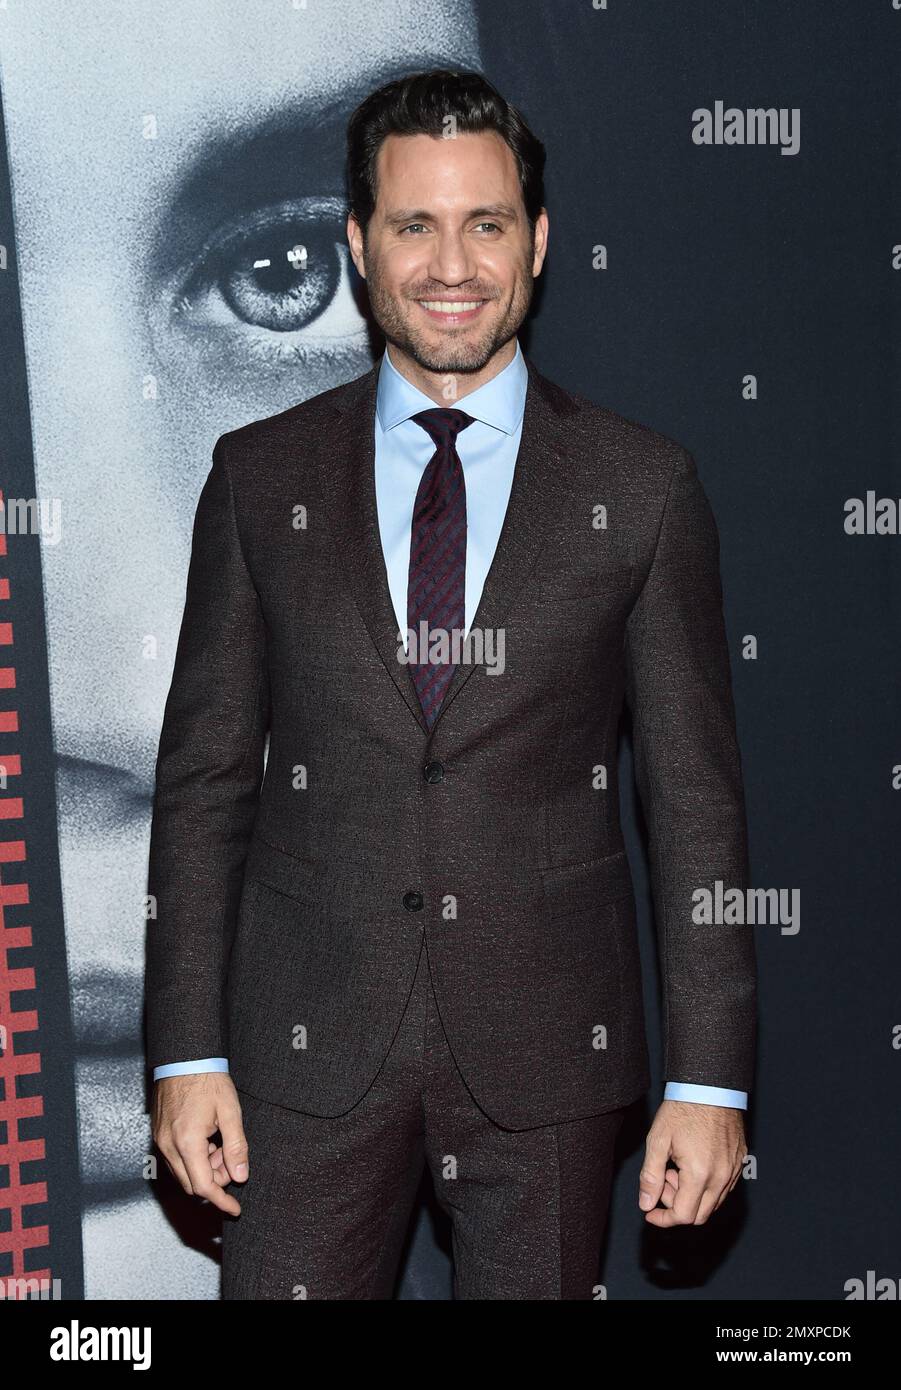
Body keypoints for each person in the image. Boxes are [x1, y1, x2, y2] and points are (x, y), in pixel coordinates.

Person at [147, 67, 757, 1300]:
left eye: (484, 223)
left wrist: (710, 1081)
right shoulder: (259, 479)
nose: (450, 264)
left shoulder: (639, 489)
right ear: (360, 248)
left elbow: (693, 804)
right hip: (301, 1056)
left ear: (535, 242)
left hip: (549, 1059)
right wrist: (185, 1051)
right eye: (413, 225)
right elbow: (205, 780)